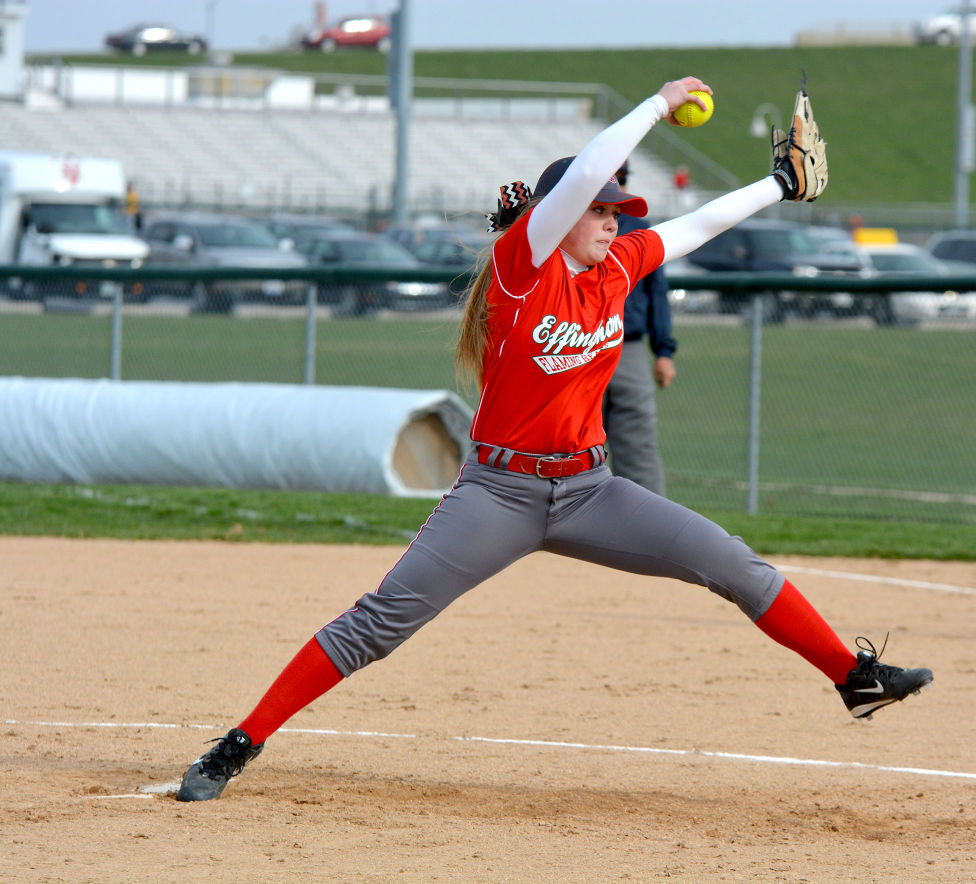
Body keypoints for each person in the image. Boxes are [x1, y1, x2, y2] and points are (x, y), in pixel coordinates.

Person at [176, 76, 932, 802]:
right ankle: (240, 742)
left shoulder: (617, 268)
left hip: (590, 491)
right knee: (379, 623)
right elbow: (585, 174)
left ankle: (851, 677)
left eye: (618, 212)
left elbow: (697, 227)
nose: (614, 220)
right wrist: (654, 106)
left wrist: (779, 186)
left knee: (732, 564)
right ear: (555, 213)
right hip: (497, 495)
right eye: (601, 210)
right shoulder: (521, 268)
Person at [602, 160, 676, 495]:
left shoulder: (640, 228)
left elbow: (657, 294)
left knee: (639, 445)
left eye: (622, 179)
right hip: (576, 346)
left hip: (628, 346)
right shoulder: (574, 226)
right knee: (573, 447)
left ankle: (650, 524)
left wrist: (663, 350)